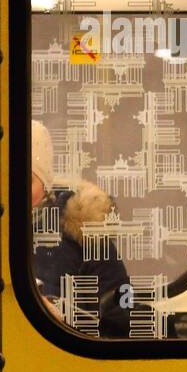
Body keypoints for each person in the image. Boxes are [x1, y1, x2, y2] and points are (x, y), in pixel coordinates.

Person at [29, 120, 131, 337]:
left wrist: (60, 321)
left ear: (45, 183)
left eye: (26, 181)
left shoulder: (86, 233)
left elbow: (123, 322)